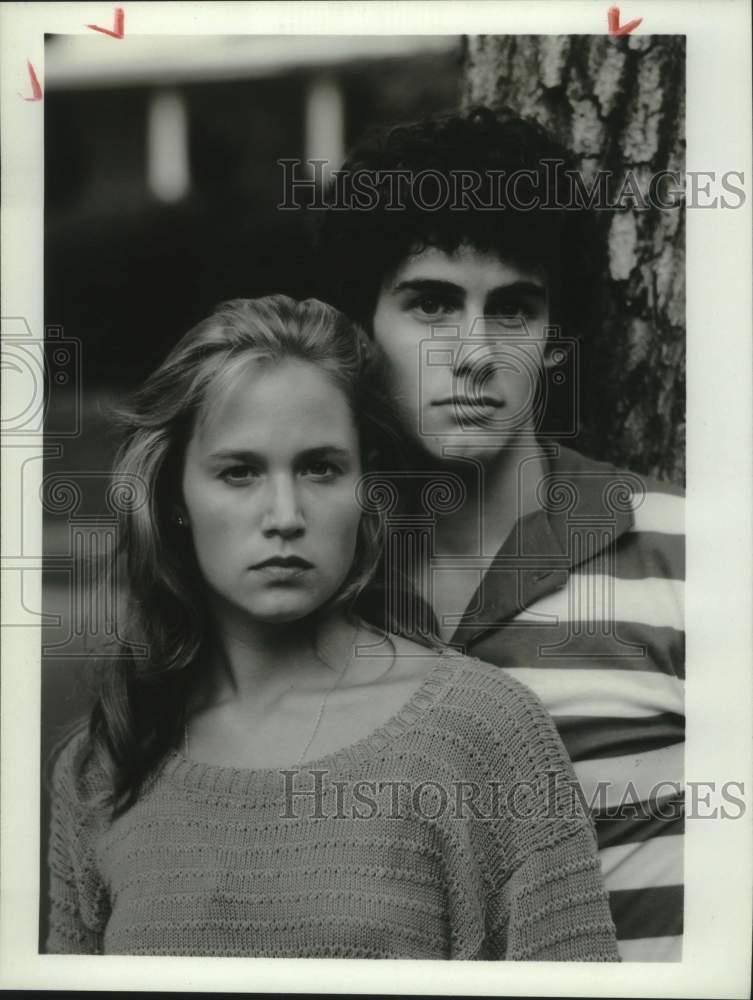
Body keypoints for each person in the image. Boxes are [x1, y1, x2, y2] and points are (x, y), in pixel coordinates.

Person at [45, 295, 619, 960]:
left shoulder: (483, 732)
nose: (284, 514)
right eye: (240, 472)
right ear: (175, 497)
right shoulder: (103, 765)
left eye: (320, 468)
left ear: (366, 489)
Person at [318, 107, 685, 961]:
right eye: (432, 304)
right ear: (363, 330)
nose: (474, 353)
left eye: (513, 310)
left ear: (555, 340)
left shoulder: (695, 552)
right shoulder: (311, 575)